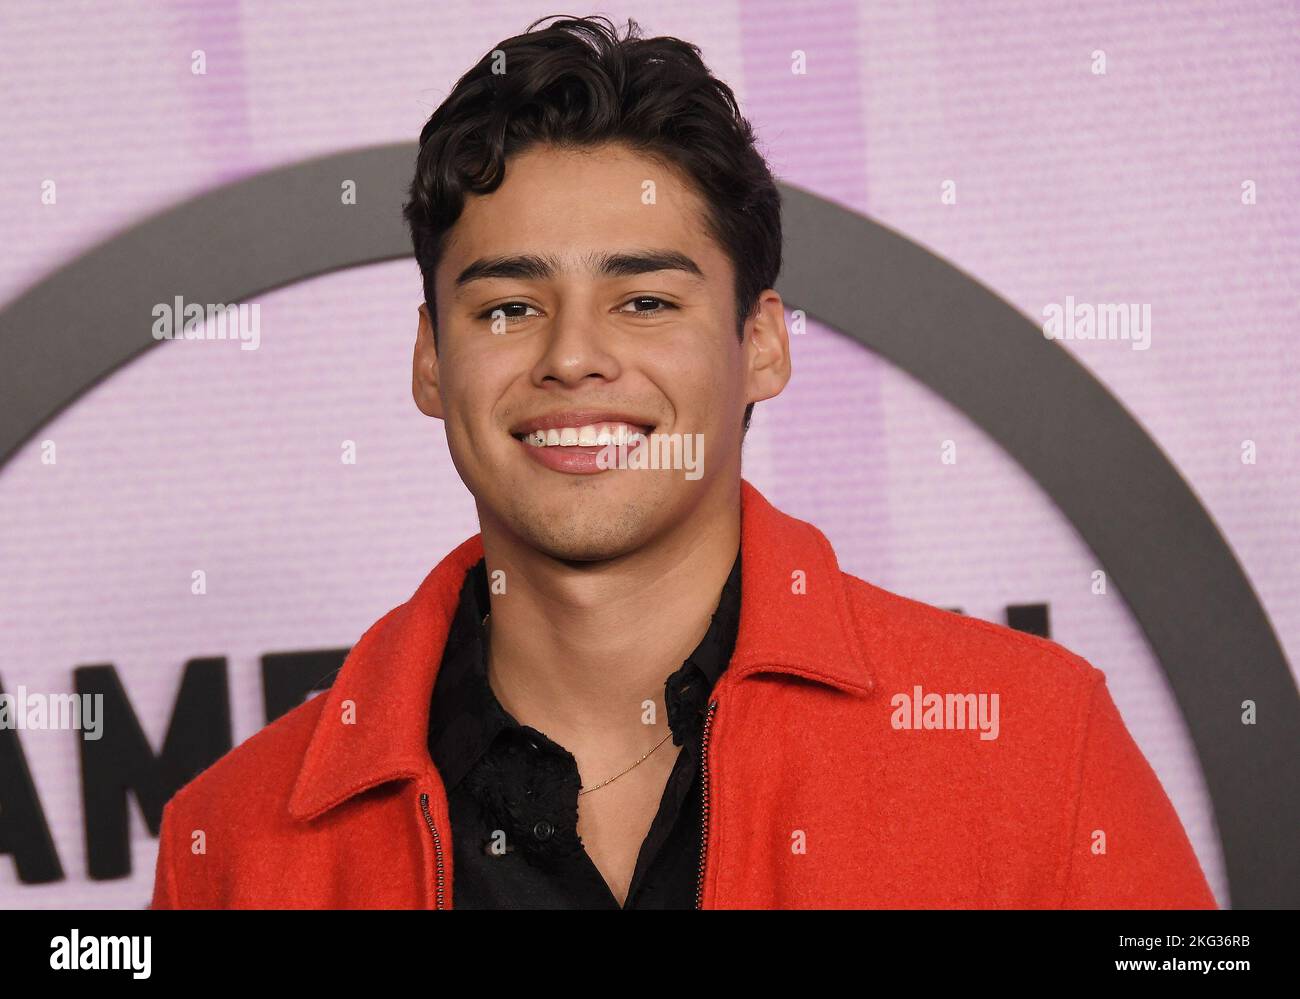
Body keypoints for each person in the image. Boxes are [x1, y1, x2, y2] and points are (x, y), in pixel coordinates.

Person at [150, 15, 1216, 909]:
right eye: (509, 307)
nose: (572, 357)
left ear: (760, 345)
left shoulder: (1032, 743)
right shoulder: (235, 843)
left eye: (646, 301)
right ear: (432, 362)